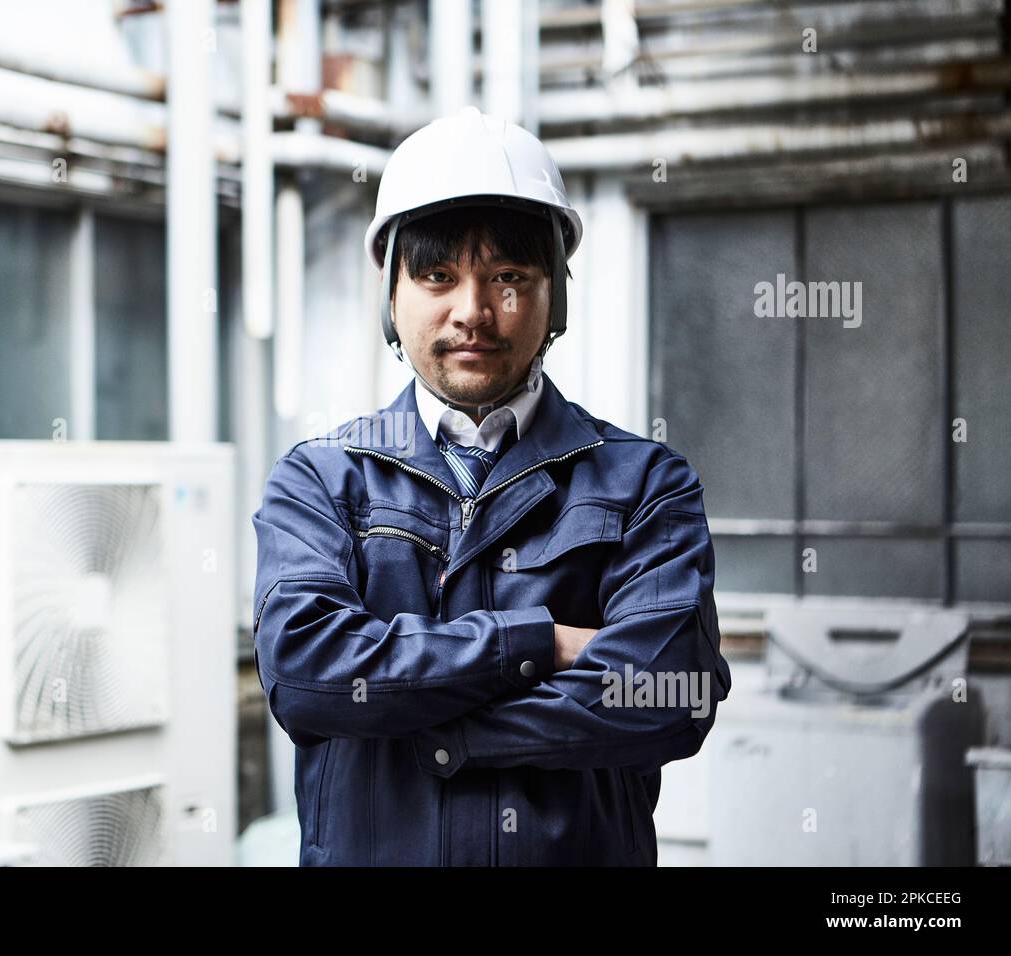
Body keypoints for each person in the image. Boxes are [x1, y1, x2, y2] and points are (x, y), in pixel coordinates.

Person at [252, 106, 732, 866]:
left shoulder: (645, 482)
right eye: (438, 275)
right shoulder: (322, 480)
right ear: (391, 292)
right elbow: (308, 677)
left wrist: (437, 730)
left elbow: (673, 695)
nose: (473, 311)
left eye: (509, 277)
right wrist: (541, 641)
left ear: (555, 298)